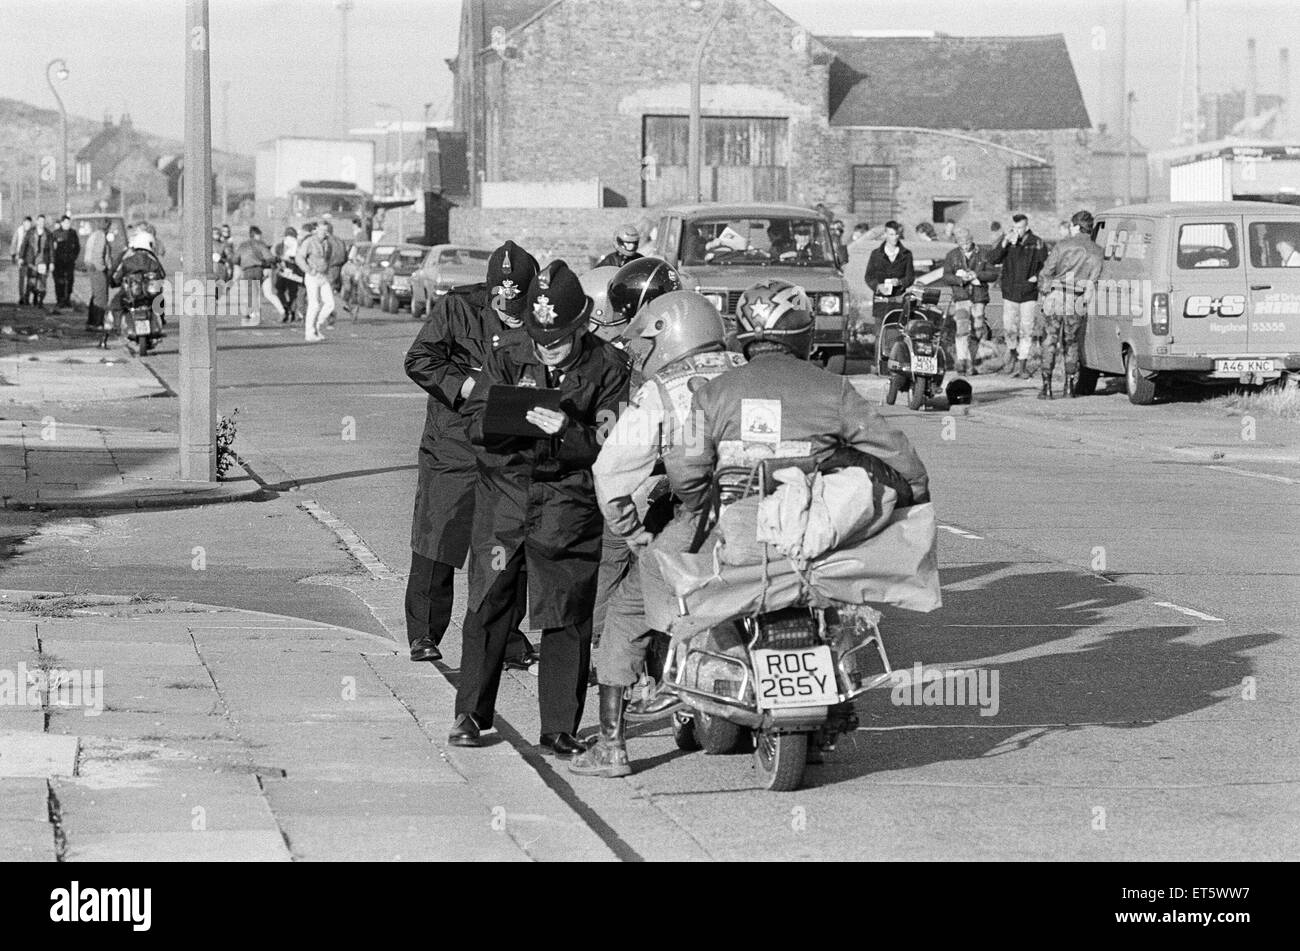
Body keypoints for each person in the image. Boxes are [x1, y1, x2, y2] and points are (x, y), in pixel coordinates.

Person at [452, 260, 631, 756]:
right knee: (488, 602)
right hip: (505, 494)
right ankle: (470, 713)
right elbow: (470, 422)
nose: (546, 348)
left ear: (579, 327)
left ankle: (559, 726)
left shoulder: (608, 367)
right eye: (538, 338)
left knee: (565, 612)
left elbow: (613, 442)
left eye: (556, 340)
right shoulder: (506, 353)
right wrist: (505, 416)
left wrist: (566, 431)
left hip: (567, 499)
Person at [570, 291, 745, 778]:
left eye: (645, 341)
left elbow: (610, 474)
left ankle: (611, 746)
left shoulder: (665, 390)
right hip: (776, 522)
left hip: (703, 526)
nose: (641, 353)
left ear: (666, 334)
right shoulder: (750, 370)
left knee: (627, 617)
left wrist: (633, 535)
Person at [403, 240, 543, 670]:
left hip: (510, 443)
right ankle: (425, 630)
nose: (508, 309)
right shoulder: (456, 308)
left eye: (517, 301)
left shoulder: (543, 313)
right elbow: (419, 359)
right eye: (501, 301)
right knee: (439, 533)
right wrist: (464, 386)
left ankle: (506, 635)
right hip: (454, 442)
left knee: (506, 544)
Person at [1036, 210, 1104, 400]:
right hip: (1077, 299)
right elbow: (1093, 282)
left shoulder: (1062, 245)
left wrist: (1045, 293)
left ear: (1075, 226)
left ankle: (1047, 387)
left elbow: (1046, 272)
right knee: (1072, 342)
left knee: (1049, 340)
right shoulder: (1097, 251)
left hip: (1056, 296)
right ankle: (1069, 386)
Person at [988, 213, 1047, 379]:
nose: (1017, 231)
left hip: (1028, 292)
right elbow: (992, 259)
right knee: (1009, 327)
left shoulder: (1037, 242)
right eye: (1015, 227)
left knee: (1026, 329)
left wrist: (1037, 276)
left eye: (1020, 227)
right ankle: (1012, 351)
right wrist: (1005, 243)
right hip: (1010, 291)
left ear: (1026, 227)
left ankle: (1022, 363)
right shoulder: (1006, 240)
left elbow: (1046, 265)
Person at [942, 227, 999, 375]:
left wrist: (977, 275)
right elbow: (946, 277)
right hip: (961, 297)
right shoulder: (952, 255)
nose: (965, 245)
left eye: (967, 242)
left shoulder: (983, 254)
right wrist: (960, 279)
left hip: (979, 297)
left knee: (977, 329)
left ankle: (971, 361)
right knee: (962, 329)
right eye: (961, 242)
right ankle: (962, 362)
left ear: (971, 240)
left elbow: (993, 274)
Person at [295, 220, 335, 342]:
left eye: (326, 230)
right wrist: (308, 269)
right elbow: (299, 257)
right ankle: (309, 333)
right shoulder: (309, 242)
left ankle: (317, 325)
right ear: (316, 229)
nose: (324, 233)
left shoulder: (328, 243)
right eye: (322, 230)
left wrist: (328, 272)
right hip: (312, 276)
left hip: (323, 276)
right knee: (314, 304)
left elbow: (327, 259)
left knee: (330, 303)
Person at [864, 220, 915, 302]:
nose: (895, 237)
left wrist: (900, 282)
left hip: (899, 299)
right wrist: (878, 286)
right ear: (885, 234)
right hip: (880, 300)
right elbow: (868, 277)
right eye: (891, 234)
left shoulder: (907, 254)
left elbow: (910, 277)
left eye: (897, 234)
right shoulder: (876, 254)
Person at [234, 226, 275, 326]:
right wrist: (266, 264)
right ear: (256, 235)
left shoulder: (242, 245)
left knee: (249, 295)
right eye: (259, 235)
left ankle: (249, 316)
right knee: (256, 295)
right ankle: (255, 316)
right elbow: (270, 258)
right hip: (258, 270)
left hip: (247, 271)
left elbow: (235, 259)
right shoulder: (260, 244)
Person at [19, 214, 53, 308]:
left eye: (43, 221)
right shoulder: (30, 232)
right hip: (32, 262)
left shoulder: (48, 234)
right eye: (40, 221)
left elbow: (51, 250)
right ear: (37, 222)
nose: (41, 223)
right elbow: (24, 245)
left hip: (42, 262)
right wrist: (21, 257)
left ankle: (40, 301)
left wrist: (51, 262)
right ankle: (28, 298)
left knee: (42, 282)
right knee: (32, 281)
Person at [51, 215, 81, 313]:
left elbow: (77, 247)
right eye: (66, 223)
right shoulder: (55, 234)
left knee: (70, 281)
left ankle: (67, 299)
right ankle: (60, 300)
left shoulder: (73, 233)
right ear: (62, 223)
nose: (68, 225)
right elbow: (51, 249)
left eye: (69, 223)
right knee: (59, 281)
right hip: (58, 262)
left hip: (69, 262)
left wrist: (73, 257)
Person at [273, 227, 302, 322]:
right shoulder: (279, 246)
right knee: (280, 291)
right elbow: (275, 257)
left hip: (293, 272)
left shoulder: (297, 246)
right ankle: (286, 308)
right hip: (283, 272)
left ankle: (291, 311)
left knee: (292, 293)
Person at [10, 216, 32, 305]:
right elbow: (14, 242)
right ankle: (22, 297)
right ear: (23, 223)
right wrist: (13, 255)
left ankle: (27, 297)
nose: (27, 225)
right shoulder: (19, 231)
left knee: (30, 278)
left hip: (31, 258)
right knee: (22, 278)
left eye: (29, 223)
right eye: (26, 223)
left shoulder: (33, 232)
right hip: (21, 257)